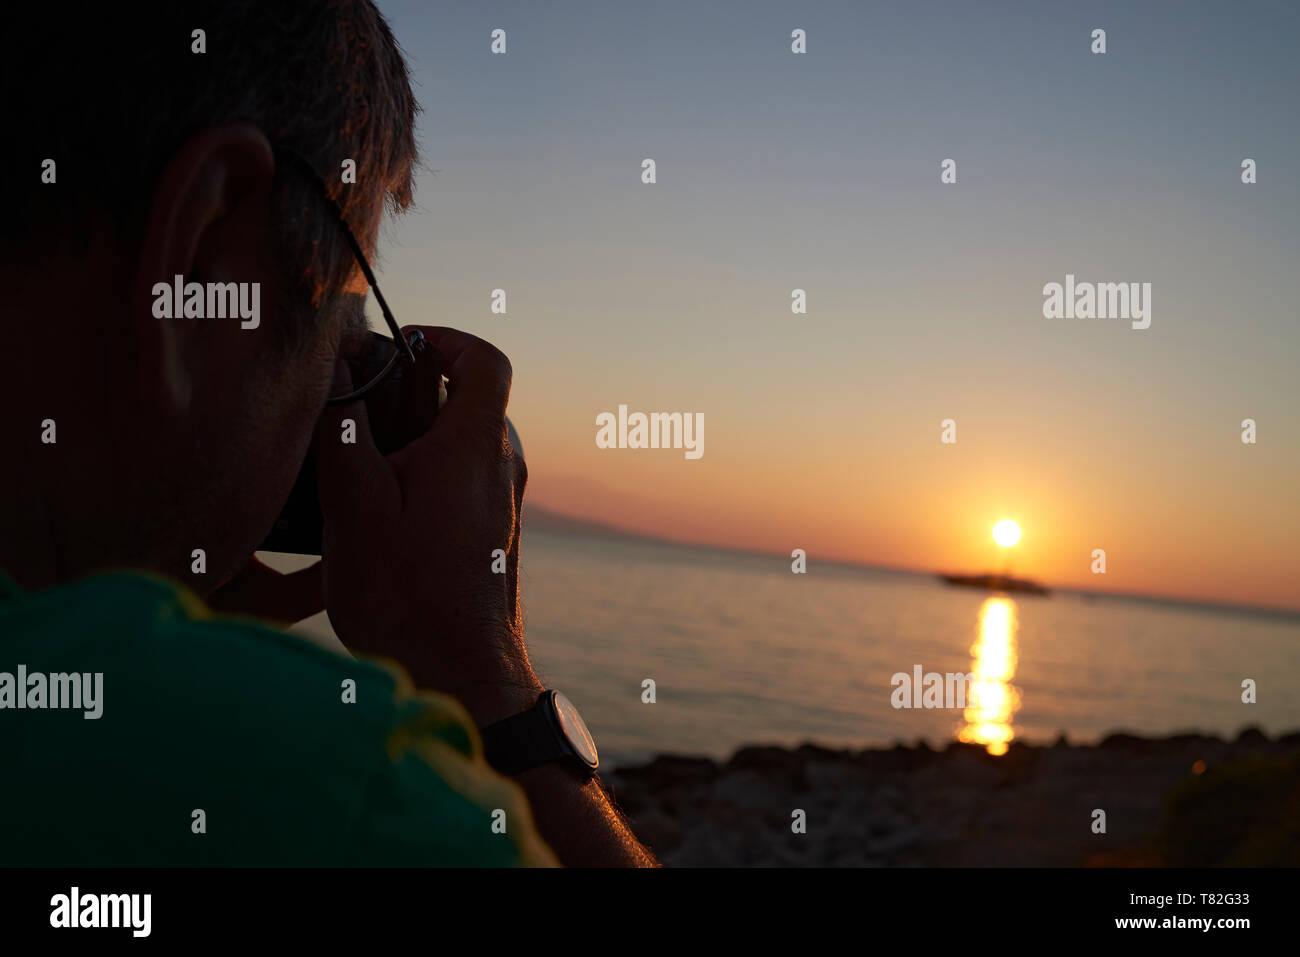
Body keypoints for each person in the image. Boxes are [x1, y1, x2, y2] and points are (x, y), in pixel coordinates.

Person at [0, 2, 656, 867]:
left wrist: (150, 586)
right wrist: (487, 679)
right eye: (347, 334)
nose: (332, 393)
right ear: (198, 266)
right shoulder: (331, 790)